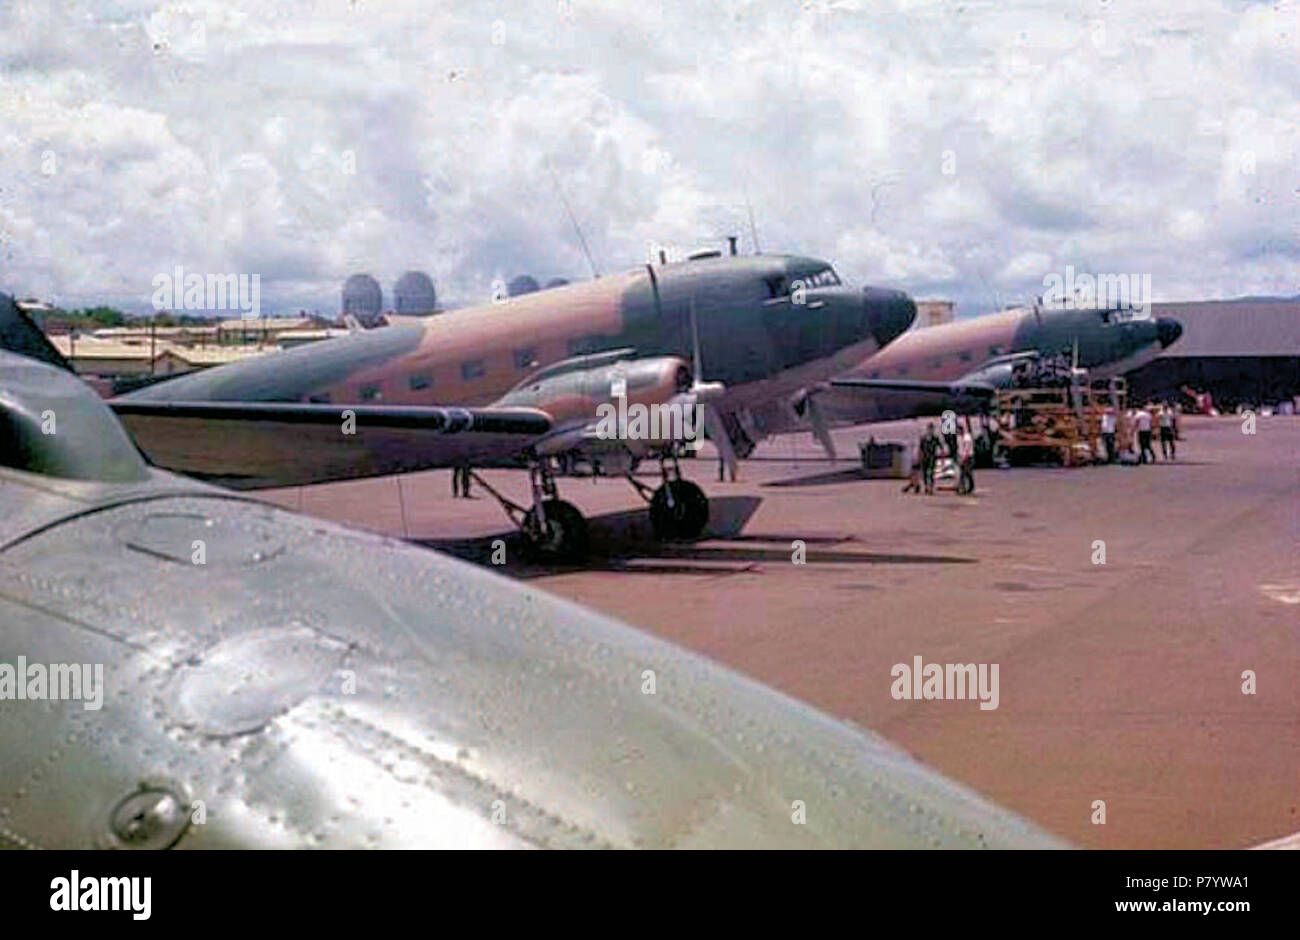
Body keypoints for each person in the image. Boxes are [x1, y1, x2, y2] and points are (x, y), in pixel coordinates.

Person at [919, 423, 941, 495]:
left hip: (932, 457)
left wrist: (941, 454)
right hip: (924, 457)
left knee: (931, 472)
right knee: (924, 473)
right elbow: (920, 448)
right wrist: (919, 456)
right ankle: (926, 487)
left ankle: (931, 487)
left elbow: (941, 447)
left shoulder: (935, 438)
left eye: (932, 429)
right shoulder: (923, 438)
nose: (930, 430)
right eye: (929, 429)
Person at [956, 425, 975, 495]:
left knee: (968, 472)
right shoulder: (959, 437)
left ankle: (970, 486)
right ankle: (962, 488)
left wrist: (964, 458)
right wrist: (959, 457)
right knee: (962, 473)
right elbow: (959, 448)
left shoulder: (967, 438)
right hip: (961, 456)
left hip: (968, 457)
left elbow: (967, 449)